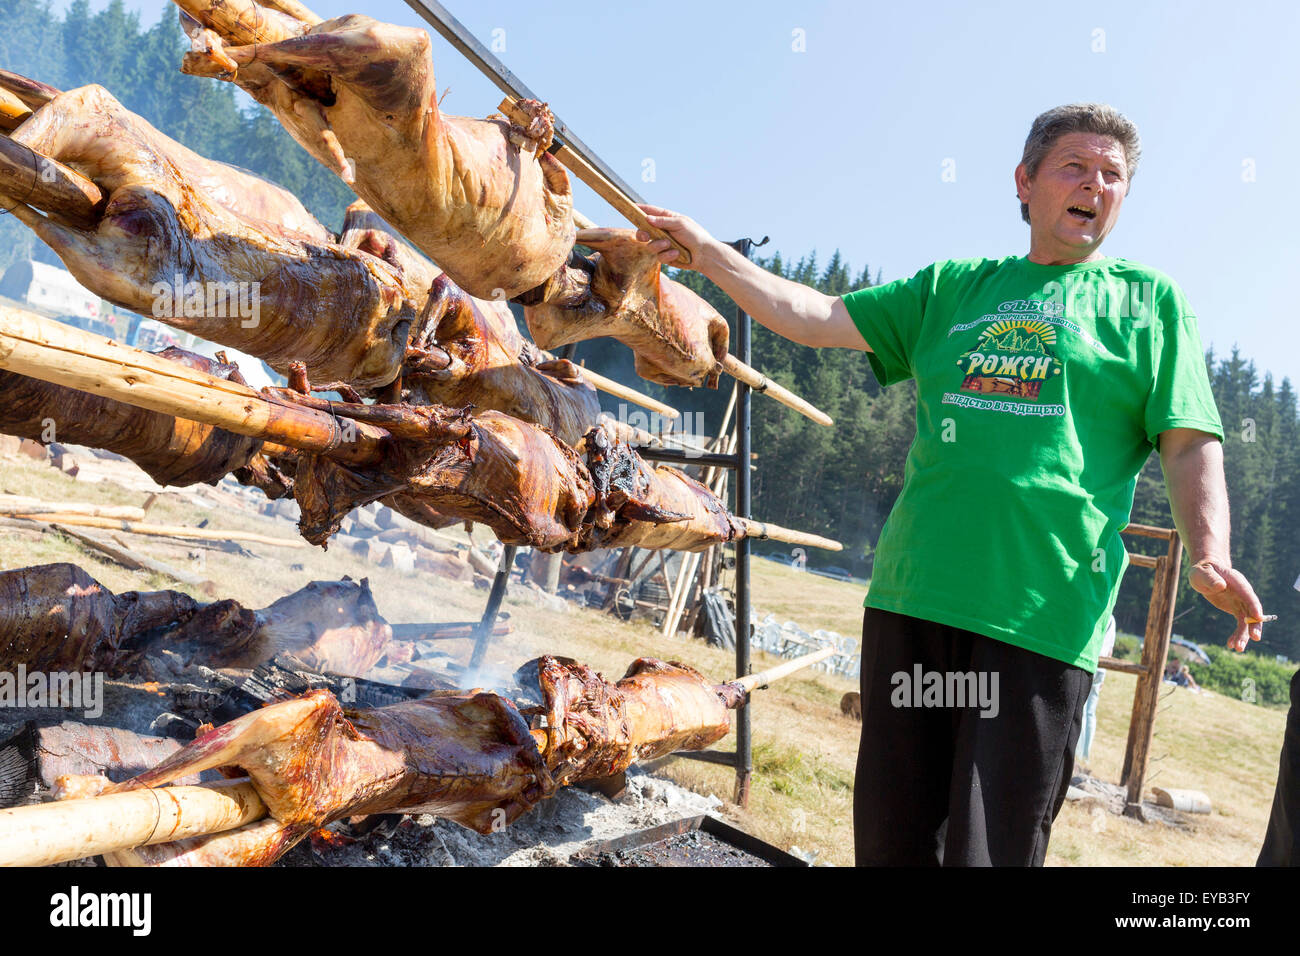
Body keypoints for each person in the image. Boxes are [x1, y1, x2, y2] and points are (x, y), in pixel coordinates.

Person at [633, 103, 1266, 866]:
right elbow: (816, 314)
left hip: (1038, 625)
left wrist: (1209, 551)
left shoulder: (1149, 304)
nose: (1095, 186)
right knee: (897, 840)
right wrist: (706, 254)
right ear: (1025, 183)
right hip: (914, 604)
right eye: (1076, 167)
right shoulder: (953, 290)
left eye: (1113, 176)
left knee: (986, 849)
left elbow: (1190, 438)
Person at [1075, 615, 1116, 769]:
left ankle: (1078, 752)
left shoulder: (1100, 614)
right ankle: (1085, 753)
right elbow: (1110, 649)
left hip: (1091, 663)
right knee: (1090, 712)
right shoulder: (1112, 620)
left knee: (1082, 710)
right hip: (1102, 668)